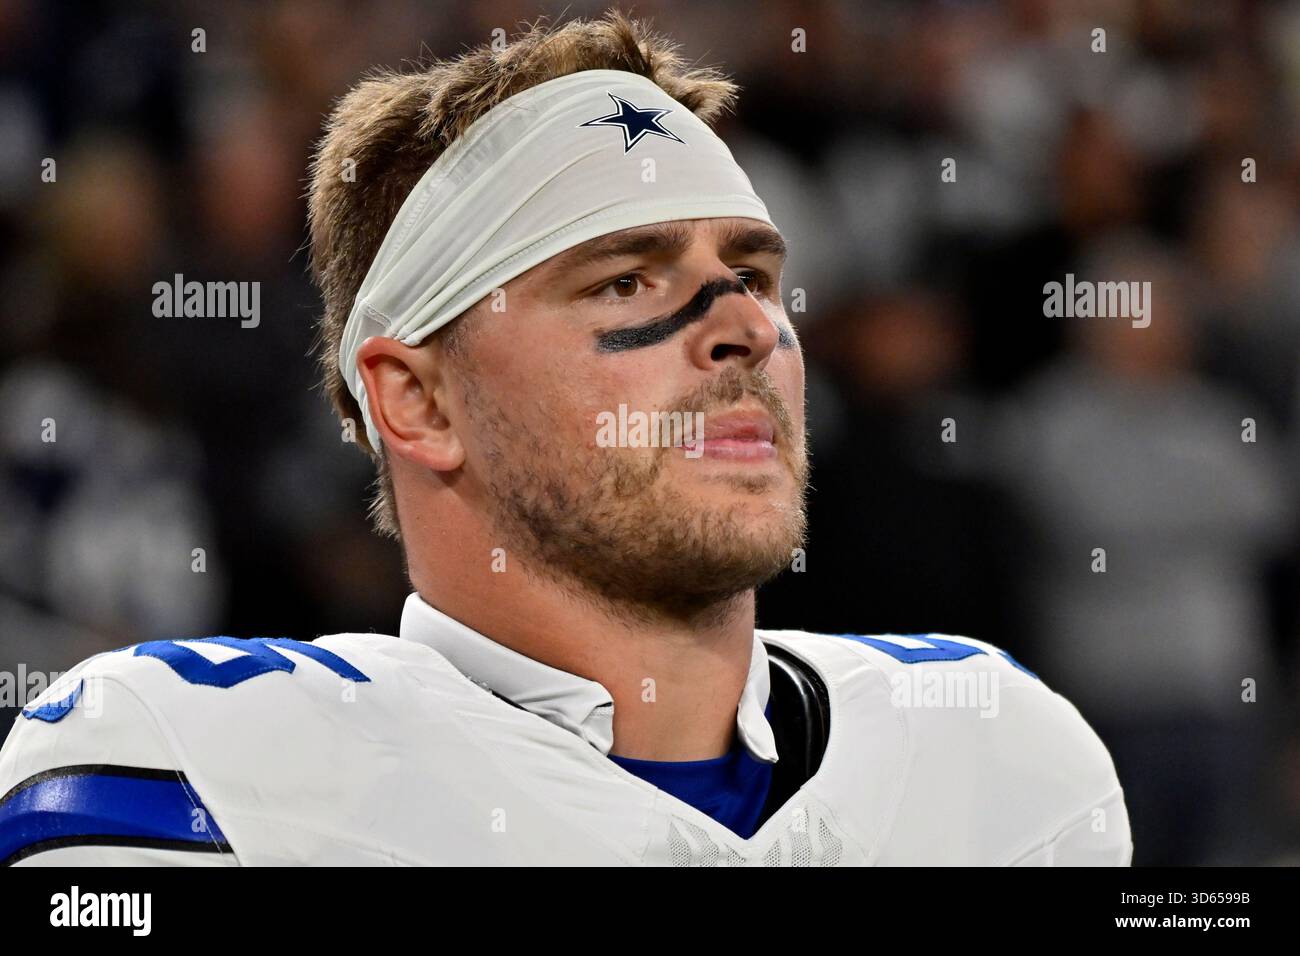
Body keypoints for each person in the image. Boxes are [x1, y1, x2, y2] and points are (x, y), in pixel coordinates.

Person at [0, 11, 1130, 866]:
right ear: (418, 401)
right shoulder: (191, 767)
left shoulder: (1008, 757)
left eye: (752, 275)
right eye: (626, 278)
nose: (743, 323)